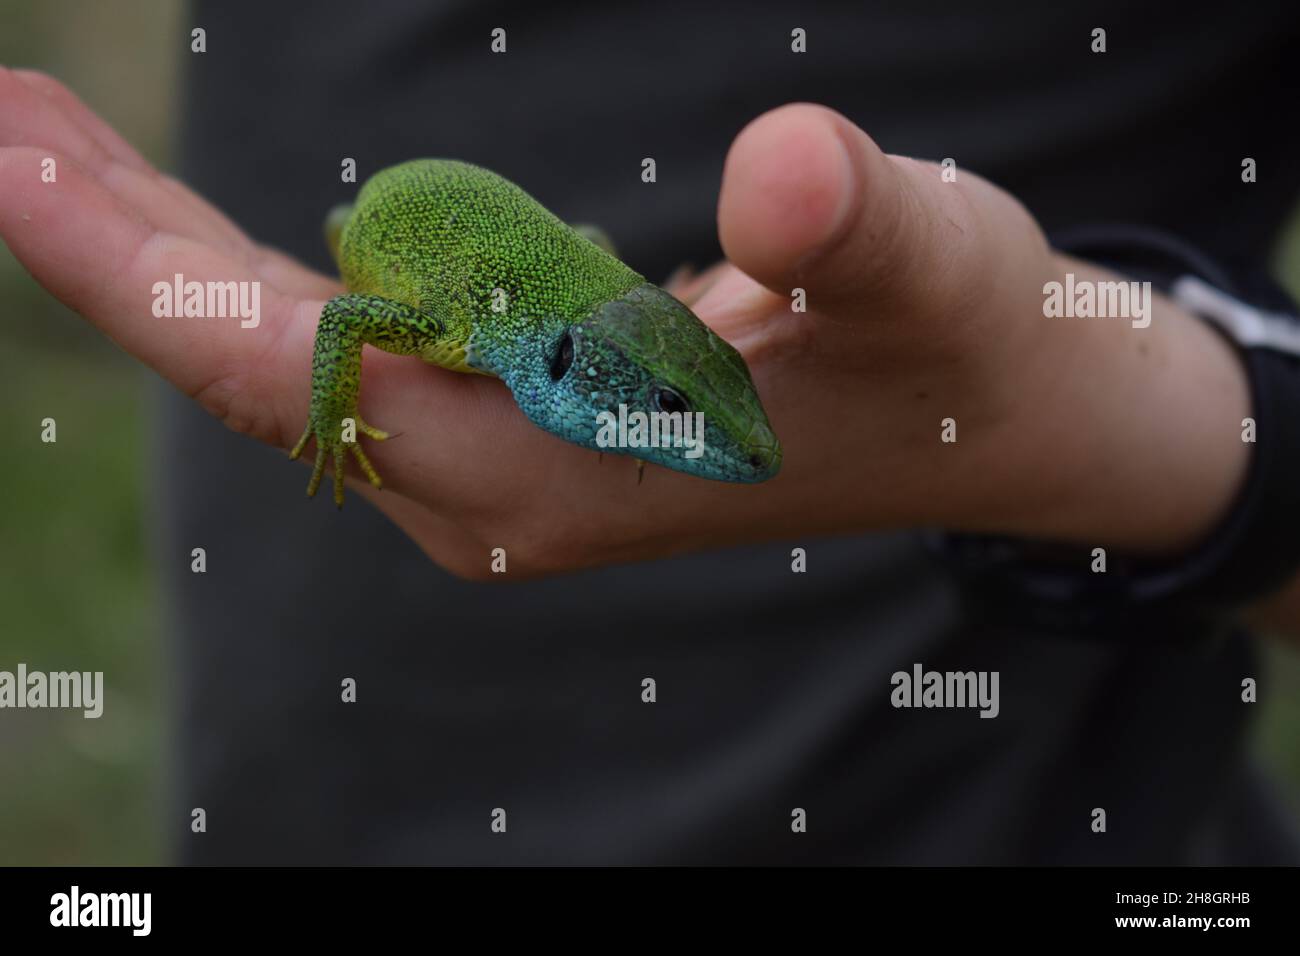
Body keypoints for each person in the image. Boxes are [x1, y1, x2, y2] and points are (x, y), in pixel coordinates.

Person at [2, 1, 1298, 863]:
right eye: (673, 410)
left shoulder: (538, 334)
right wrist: (332, 424)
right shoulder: (460, 331)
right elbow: (342, 324)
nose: (732, 449)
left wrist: (1094, 425)